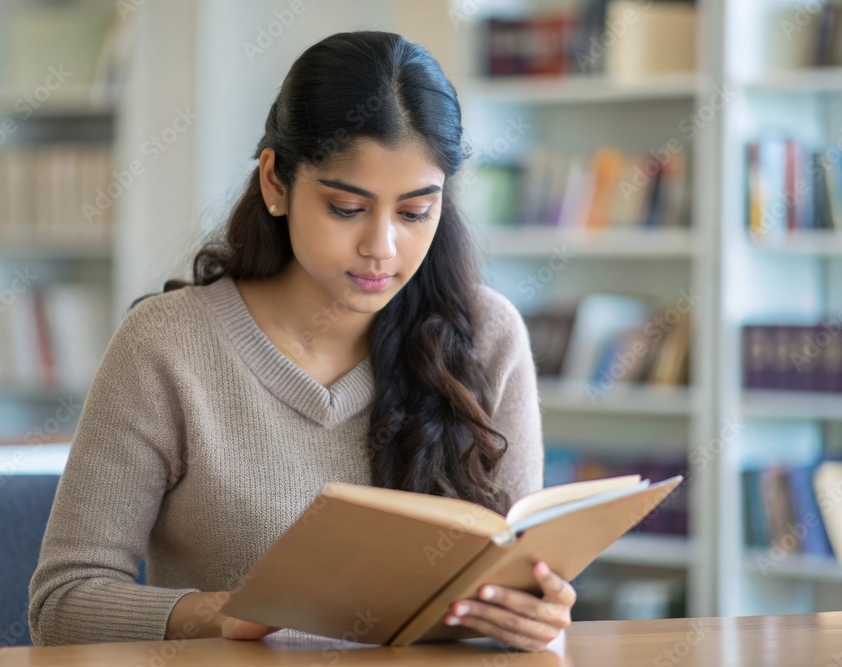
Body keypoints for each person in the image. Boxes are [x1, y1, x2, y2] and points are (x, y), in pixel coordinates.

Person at [28, 30, 576, 653]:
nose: (382, 248)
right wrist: (222, 614)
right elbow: (62, 604)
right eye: (347, 207)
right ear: (275, 183)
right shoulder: (167, 346)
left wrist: (533, 612)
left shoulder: (487, 335)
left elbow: (518, 569)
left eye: (415, 212)